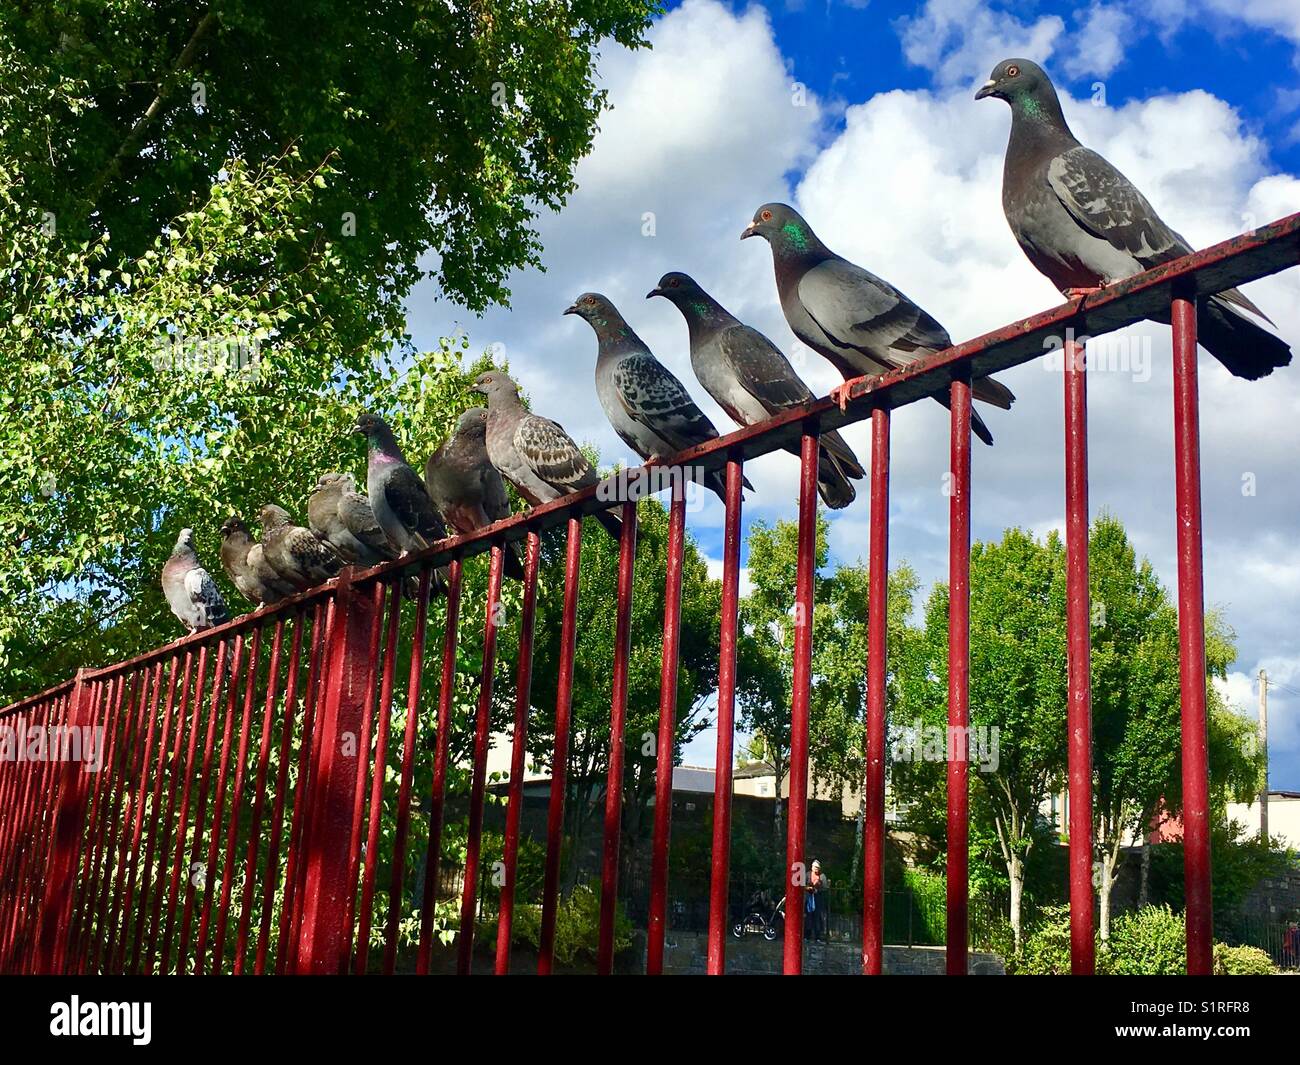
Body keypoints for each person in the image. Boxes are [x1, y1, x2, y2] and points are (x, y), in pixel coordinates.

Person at [804, 859, 830, 942]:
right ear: (812, 867)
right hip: (809, 897)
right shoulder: (807, 874)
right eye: (814, 867)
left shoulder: (822, 876)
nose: (816, 869)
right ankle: (807, 936)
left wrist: (818, 889)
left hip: (818, 898)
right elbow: (803, 885)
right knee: (808, 917)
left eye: (817, 867)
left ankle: (817, 936)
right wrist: (809, 888)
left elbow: (825, 887)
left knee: (817, 917)